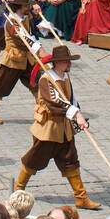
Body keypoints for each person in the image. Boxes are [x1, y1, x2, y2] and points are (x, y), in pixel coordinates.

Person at [14, 44, 100, 210]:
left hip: (64, 129)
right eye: (66, 61)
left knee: (70, 160)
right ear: (58, 62)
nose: (69, 64)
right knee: (34, 159)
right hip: (49, 129)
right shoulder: (46, 79)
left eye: (69, 61)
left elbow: (70, 100)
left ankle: (81, 197)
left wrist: (79, 118)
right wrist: (76, 114)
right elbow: (55, 102)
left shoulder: (65, 77)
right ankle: (18, 188)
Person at [0, 0, 42, 124]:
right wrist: (39, 50)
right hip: (13, 60)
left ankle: (43, 111)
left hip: (27, 59)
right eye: (27, 6)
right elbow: (23, 40)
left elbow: (32, 27)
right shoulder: (12, 23)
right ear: (20, 7)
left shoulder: (25, 17)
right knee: (0, 86)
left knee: (36, 84)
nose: (29, 8)